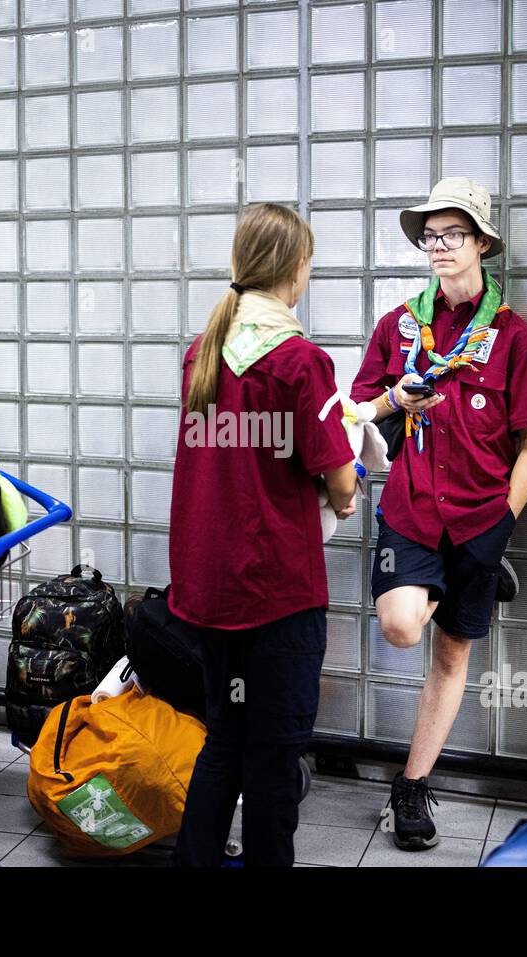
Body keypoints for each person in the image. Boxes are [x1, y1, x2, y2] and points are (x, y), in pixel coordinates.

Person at [348, 177, 527, 850]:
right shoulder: (401, 326)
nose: (438, 247)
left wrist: (502, 523)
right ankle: (454, 580)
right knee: (402, 625)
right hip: (411, 510)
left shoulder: (514, 338)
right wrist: (396, 400)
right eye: (430, 236)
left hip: (479, 518)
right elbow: (357, 409)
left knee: (451, 656)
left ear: (482, 244)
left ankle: (412, 785)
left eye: (453, 235)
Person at [169, 203, 358, 867]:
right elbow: (337, 475)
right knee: (275, 757)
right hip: (278, 592)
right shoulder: (301, 361)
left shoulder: (204, 350)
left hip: (212, 591)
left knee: (226, 738)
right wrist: (348, 491)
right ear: (297, 269)